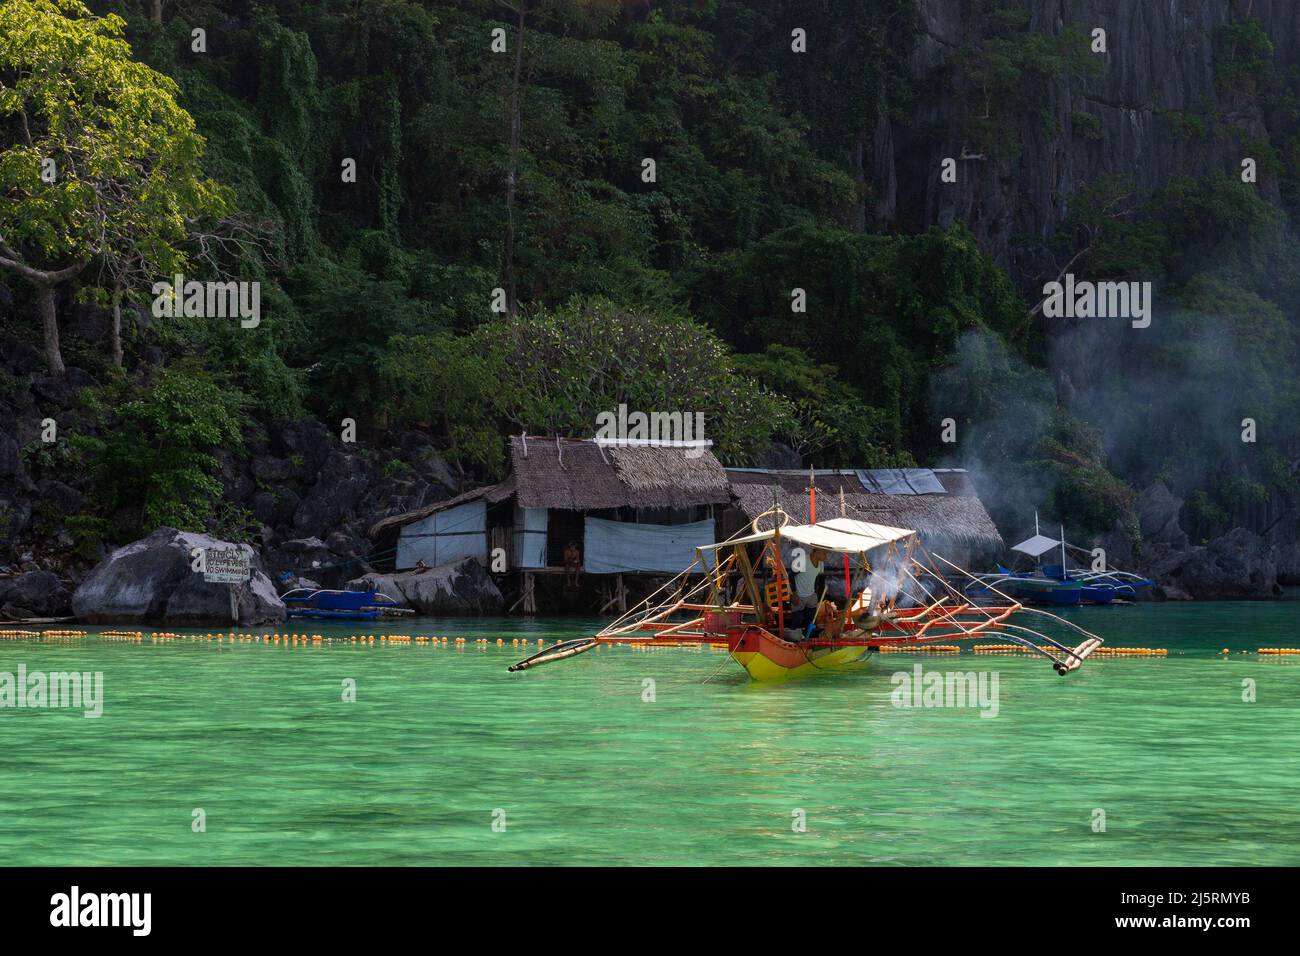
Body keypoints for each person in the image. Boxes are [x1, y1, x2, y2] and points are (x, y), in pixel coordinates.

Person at [791, 547, 826, 636]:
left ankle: (808, 639)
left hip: (811, 595)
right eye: (824, 553)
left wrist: (817, 595)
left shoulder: (821, 563)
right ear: (816, 552)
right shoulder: (803, 561)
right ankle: (793, 640)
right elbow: (791, 576)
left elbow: (818, 579)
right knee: (798, 619)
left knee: (811, 620)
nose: (826, 556)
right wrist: (794, 593)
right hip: (799, 595)